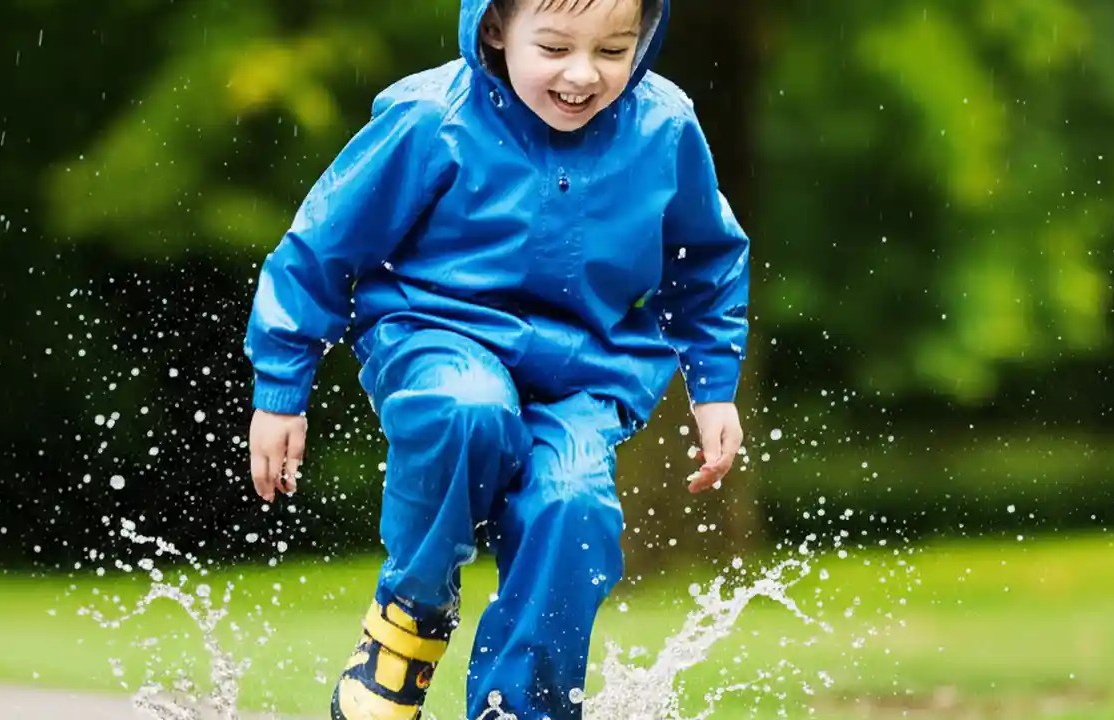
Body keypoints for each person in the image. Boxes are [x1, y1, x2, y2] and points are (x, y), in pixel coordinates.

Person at [243, 0, 749, 717]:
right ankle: (409, 620)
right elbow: (320, 248)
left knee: (573, 503)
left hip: (583, 373)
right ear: (494, 31)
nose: (583, 75)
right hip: (438, 335)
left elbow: (707, 262)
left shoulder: (664, 127)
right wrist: (281, 385)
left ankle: (524, 703)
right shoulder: (430, 119)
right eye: (554, 47)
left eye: (613, 51)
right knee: (468, 408)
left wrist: (714, 388)